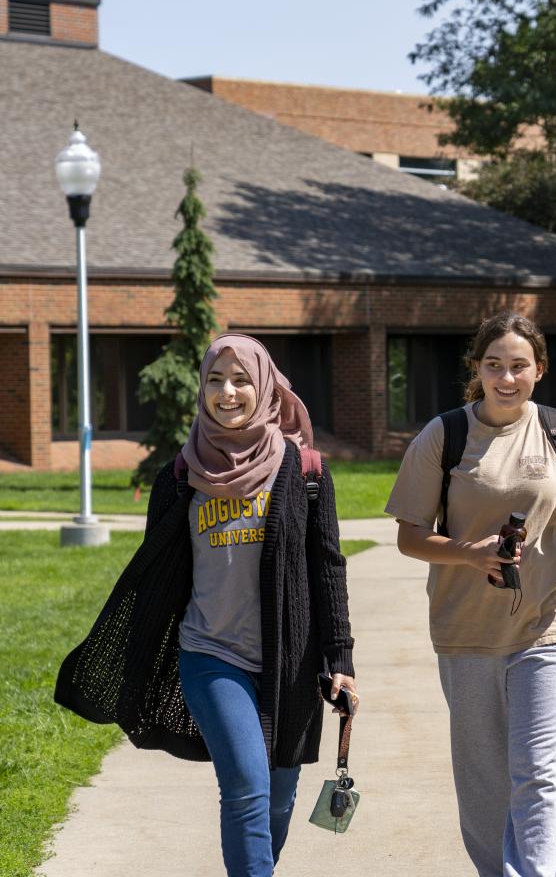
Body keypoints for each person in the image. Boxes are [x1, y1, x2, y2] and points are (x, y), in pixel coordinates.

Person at [55, 333, 357, 877]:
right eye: (216, 380)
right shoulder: (179, 476)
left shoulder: (304, 470)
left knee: (279, 797)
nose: (228, 392)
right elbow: (158, 577)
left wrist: (342, 662)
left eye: (241, 379)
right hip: (210, 653)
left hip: (290, 660)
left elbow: (327, 569)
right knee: (246, 782)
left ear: (264, 386)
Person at [385, 311, 556, 877]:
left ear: (538, 370)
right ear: (477, 367)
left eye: (519, 366)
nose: (506, 378)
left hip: (547, 622)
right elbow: (409, 537)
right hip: (465, 628)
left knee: (538, 771)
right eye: (493, 365)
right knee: (483, 781)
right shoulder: (443, 435)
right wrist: (471, 554)